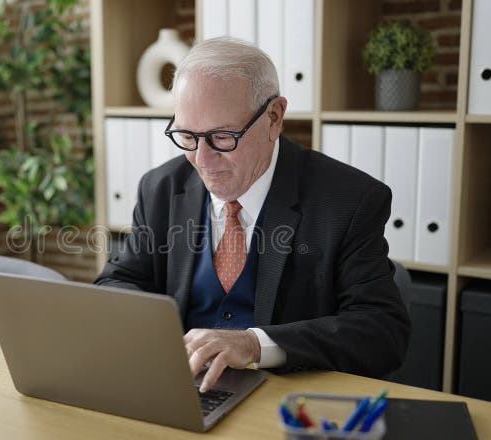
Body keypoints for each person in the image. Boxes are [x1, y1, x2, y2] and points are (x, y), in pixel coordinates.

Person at [94, 37, 410, 393]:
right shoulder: (161, 187)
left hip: (286, 401)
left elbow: (382, 332)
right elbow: (117, 283)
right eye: (186, 135)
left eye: (222, 137)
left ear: (274, 117)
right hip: (180, 391)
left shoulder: (350, 201)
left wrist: (256, 345)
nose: (202, 159)